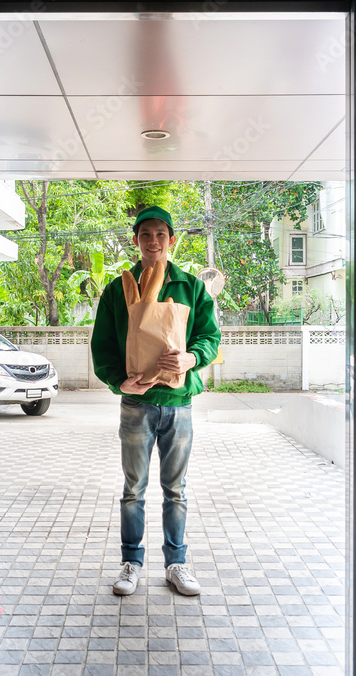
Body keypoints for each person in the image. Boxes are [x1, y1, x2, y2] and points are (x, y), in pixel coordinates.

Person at [91, 206, 221, 597]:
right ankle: (131, 562)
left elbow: (210, 337)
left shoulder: (192, 288)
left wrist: (191, 357)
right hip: (136, 406)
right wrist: (119, 382)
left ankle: (176, 564)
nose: (153, 242)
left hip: (179, 403)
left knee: (176, 489)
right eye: (145, 234)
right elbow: (103, 346)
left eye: (160, 234)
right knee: (134, 489)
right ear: (136, 240)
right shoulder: (118, 289)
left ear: (171, 239)